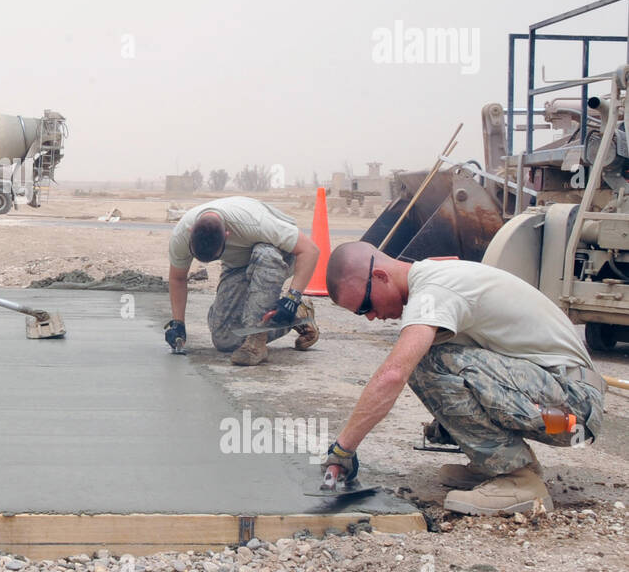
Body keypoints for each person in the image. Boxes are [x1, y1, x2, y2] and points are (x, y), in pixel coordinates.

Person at [322, 241, 605, 515]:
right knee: (433, 355)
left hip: (571, 413)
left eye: (365, 306)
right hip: (558, 405)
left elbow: (393, 375)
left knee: (424, 362)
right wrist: (450, 420)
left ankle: (517, 478)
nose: (370, 316)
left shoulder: (434, 291)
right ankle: (496, 464)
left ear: (380, 276)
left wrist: (343, 449)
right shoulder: (434, 277)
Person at [166, 196, 321, 365]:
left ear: (227, 235)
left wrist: (292, 298)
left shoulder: (256, 223)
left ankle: (256, 341)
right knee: (225, 340)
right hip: (237, 266)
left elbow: (310, 251)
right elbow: (178, 278)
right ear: (190, 232)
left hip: (278, 257)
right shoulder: (181, 234)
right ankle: (299, 315)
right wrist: (178, 323)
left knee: (265, 254)